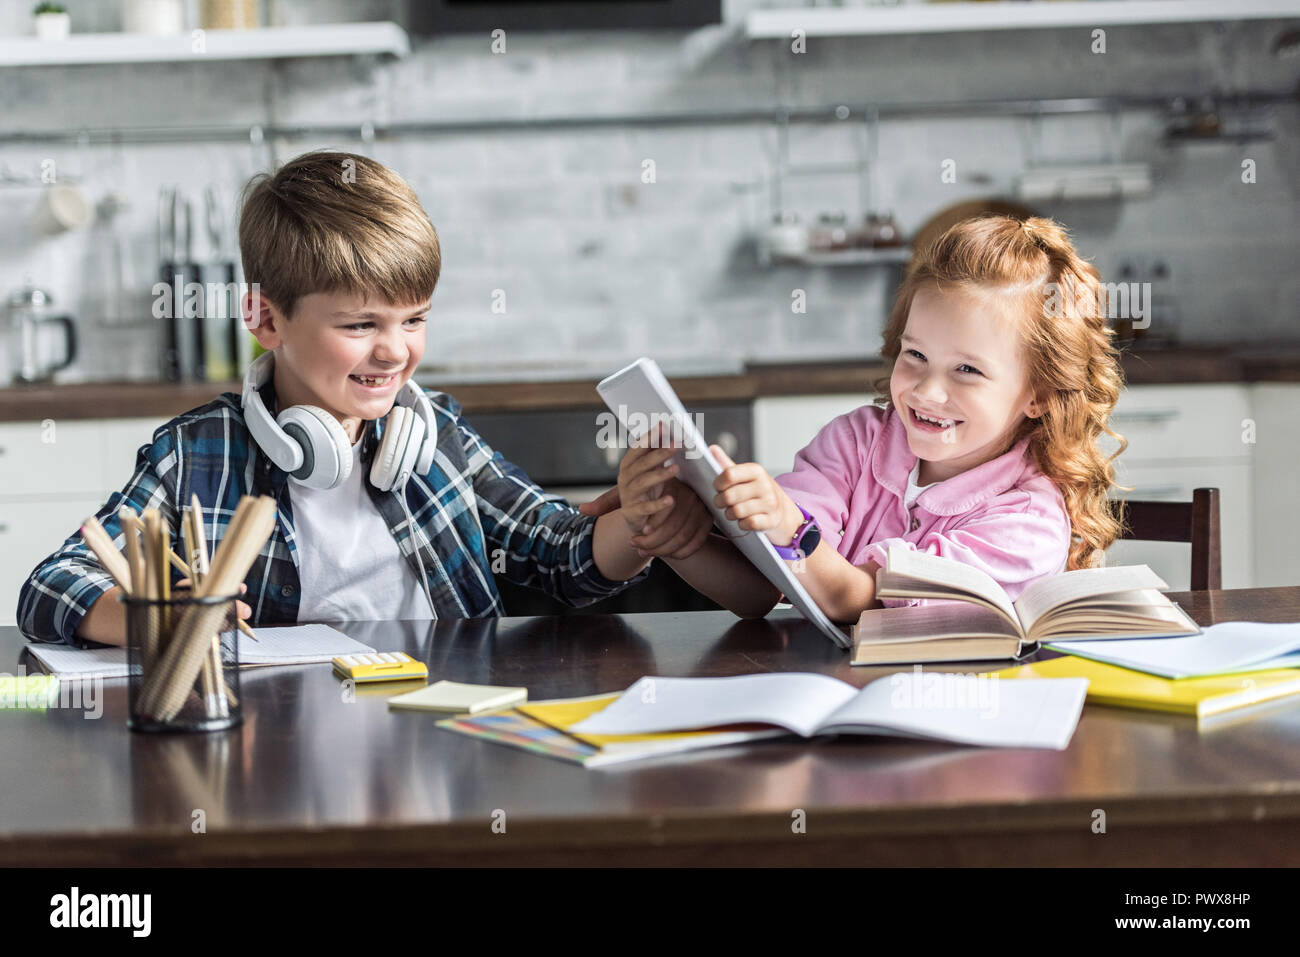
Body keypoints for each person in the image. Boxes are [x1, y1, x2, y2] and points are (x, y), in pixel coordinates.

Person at [17, 150, 711, 647]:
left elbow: (557, 554)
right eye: (360, 325)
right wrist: (155, 615)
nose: (394, 351)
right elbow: (51, 585)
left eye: (414, 320)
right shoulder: (198, 452)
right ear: (265, 319)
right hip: (275, 745)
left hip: (438, 730)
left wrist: (643, 526)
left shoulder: (433, 431)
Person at [630, 215, 1127, 623]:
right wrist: (677, 539)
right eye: (914, 355)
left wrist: (787, 526)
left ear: (1037, 395)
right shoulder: (854, 442)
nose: (928, 391)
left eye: (967, 370)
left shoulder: (1027, 522)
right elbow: (763, 591)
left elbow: (853, 600)